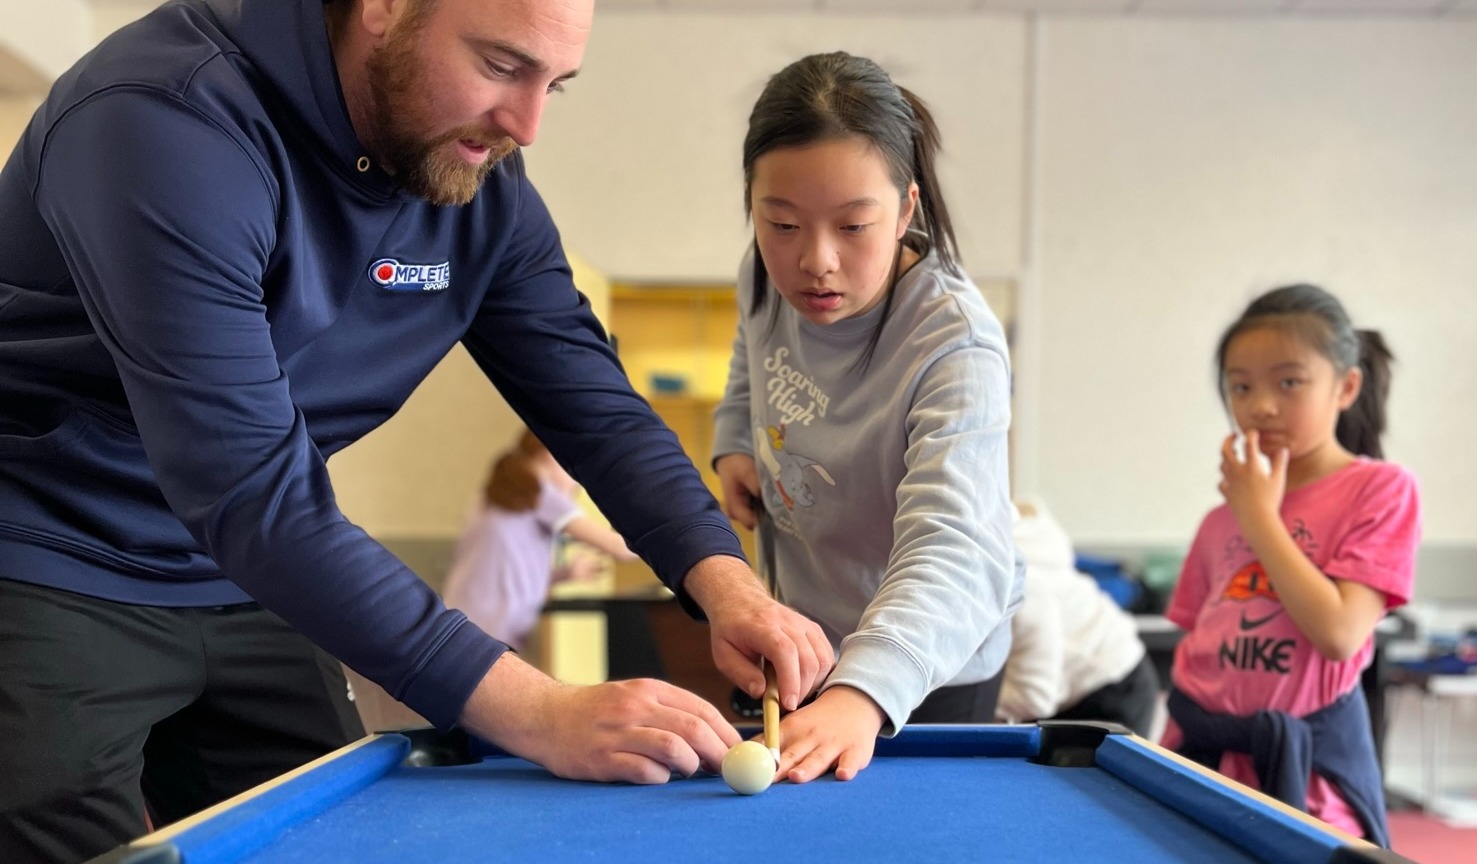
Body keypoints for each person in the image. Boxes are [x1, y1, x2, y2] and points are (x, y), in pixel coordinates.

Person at [0, 1, 835, 860]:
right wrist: (542, 711)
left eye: (556, 84)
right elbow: (251, 489)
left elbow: (598, 409)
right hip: (42, 560)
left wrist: (727, 585)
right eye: (502, 66)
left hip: (247, 580)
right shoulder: (162, 118)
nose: (528, 124)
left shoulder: (482, 183)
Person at [712, 52, 1025, 786]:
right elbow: (747, 353)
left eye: (854, 227)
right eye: (781, 222)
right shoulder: (762, 273)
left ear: (907, 209)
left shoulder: (955, 343)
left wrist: (863, 691)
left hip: (928, 659)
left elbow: (956, 546)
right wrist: (733, 443)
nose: (814, 262)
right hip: (807, 632)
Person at [1160, 284, 1419, 847]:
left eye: (1289, 382)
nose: (1262, 405)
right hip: (1198, 756)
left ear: (1346, 386)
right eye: (1241, 386)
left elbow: (1339, 634)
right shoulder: (1218, 520)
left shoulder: (1379, 490)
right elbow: (1200, 647)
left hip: (1307, 775)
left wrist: (1258, 515)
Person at [441, 430, 638, 652]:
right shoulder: (542, 494)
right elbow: (622, 549)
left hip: (460, 622)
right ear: (550, 454)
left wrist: (565, 573)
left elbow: (510, 576)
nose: (576, 484)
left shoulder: (496, 495)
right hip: (490, 631)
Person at [995, 499, 1159, 737]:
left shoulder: (1021, 585)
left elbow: (1034, 697)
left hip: (1112, 683)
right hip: (1070, 687)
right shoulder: (1007, 552)